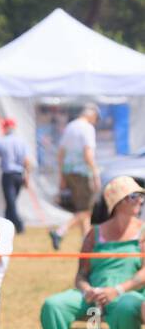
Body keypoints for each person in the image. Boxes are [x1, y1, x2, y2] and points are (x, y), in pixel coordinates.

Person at [40, 176, 145, 329]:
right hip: (92, 295)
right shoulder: (94, 234)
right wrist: (87, 289)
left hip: (127, 293)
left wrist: (117, 290)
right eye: (133, 196)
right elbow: (80, 275)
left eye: (141, 196)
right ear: (116, 202)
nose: (140, 201)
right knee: (53, 306)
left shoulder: (142, 232)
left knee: (126, 308)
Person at [52, 105, 100, 250]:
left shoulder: (70, 127)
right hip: (82, 173)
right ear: (92, 116)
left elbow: (60, 154)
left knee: (83, 210)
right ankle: (60, 231)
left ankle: (87, 244)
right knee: (86, 210)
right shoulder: (88, 128)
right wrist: (96, 173)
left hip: (69, 171)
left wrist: (61, 176)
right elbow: (88, 154)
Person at [0, 118, 32, 235]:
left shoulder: (1, 142)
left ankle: (19, 225)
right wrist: (27, 177)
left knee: (11, 202)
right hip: (19, 175)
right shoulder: (21, 142)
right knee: (11, 202)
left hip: (8, 176)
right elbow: (27, 162)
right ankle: (8, 225)